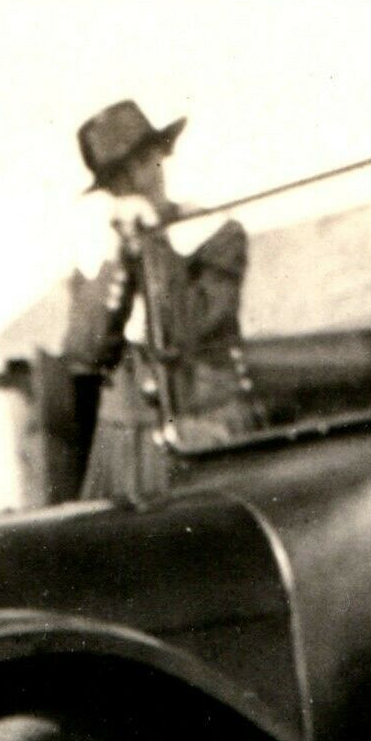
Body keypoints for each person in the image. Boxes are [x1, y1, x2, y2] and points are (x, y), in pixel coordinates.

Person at [62, 99, 250, 503]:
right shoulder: (105, 252)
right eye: (118, 178)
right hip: (125, 449)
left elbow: (183, 330)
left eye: (142, 163)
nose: (136, 180)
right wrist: (121, 258)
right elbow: (83, 353)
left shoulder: (216, 234)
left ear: (161, 157)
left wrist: (152, 240)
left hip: (204, 430)